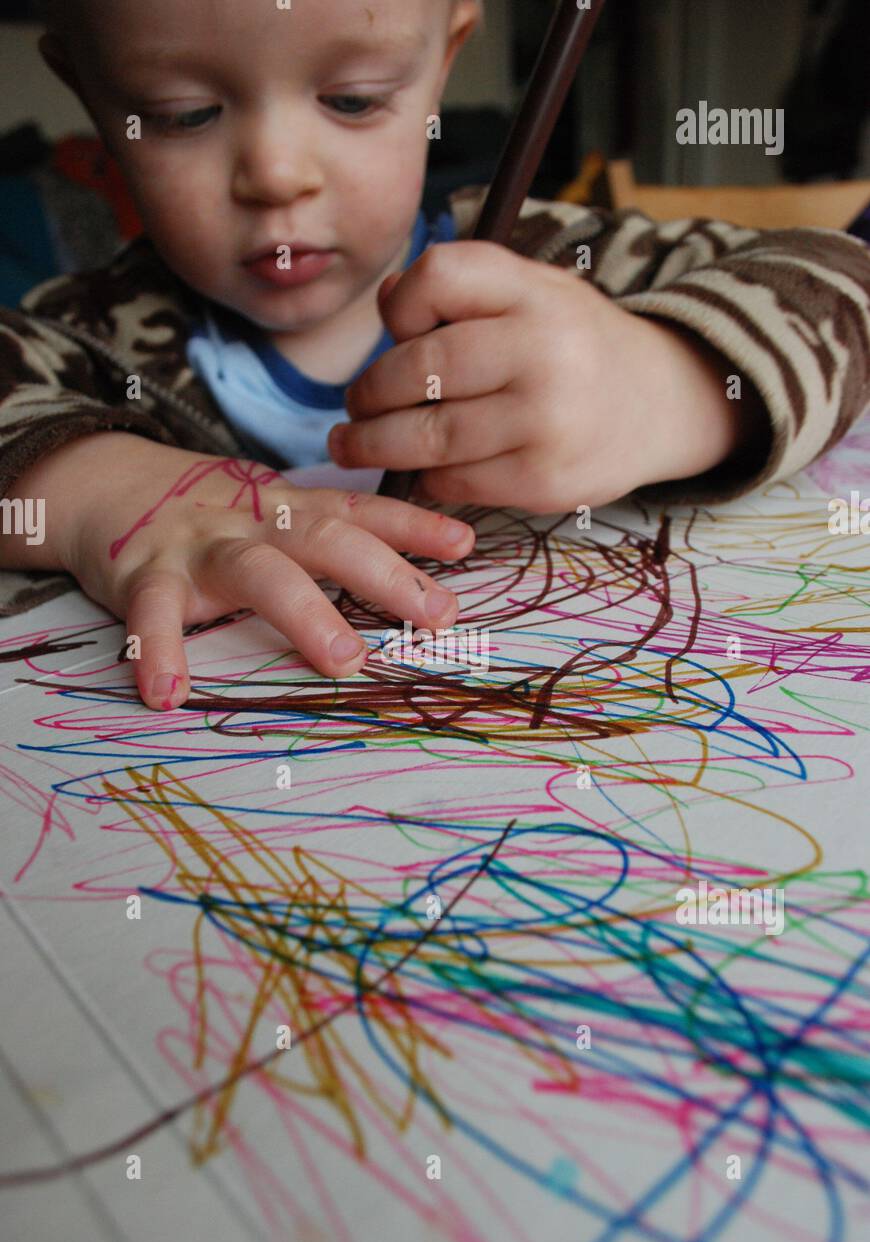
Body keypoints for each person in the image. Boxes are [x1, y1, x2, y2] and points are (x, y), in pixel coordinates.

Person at [0, 0, 868, 710]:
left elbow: (846, 278)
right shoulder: (83, 332)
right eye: (181, 114)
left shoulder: (549, 259)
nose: (275, 172)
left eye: (352, 99)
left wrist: (669, 382)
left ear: (444, 60)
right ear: (93, 98)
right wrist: (96, 489)